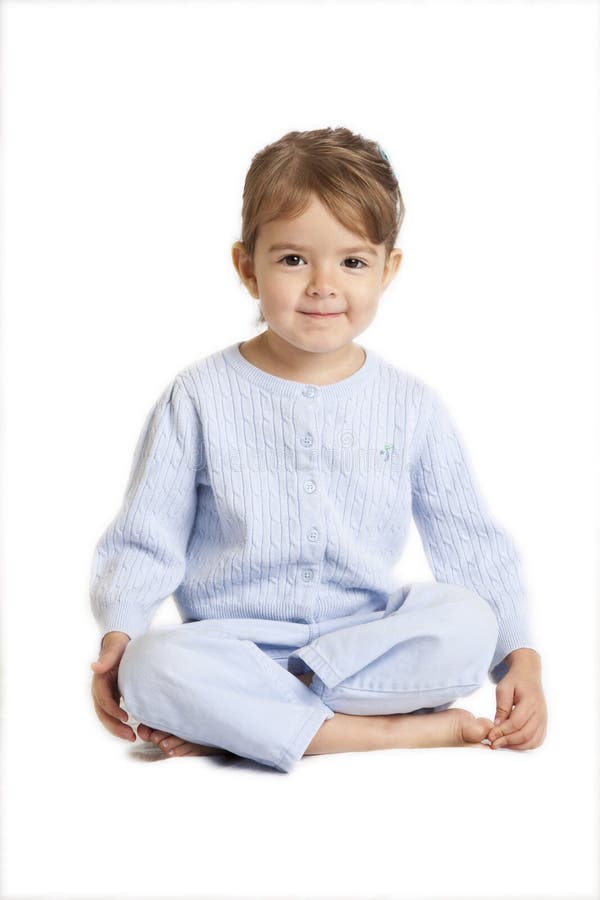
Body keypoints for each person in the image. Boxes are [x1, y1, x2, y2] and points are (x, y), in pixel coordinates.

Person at [89, 126, 547, 772]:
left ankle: (251, 722)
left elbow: (469, 538)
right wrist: (120, 634)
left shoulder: (411, 405)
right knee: (151, 667)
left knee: (470, 624)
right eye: (293, 260)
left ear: (388, 270)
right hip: (233, 645)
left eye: (353, 262)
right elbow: (147, 534)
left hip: (365, 644)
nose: (323, 285)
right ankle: (381, 732)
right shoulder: (196, 397)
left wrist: (519, 655)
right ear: (247, 268)